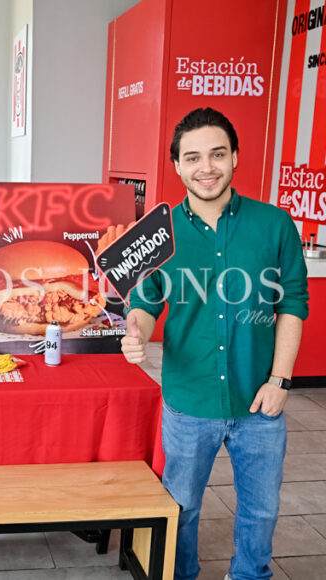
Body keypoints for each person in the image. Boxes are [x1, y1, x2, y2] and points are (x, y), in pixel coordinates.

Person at [121, 107, 308, 580]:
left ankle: (249, 575)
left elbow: (293, 305)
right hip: (188, 401)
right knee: (180, 509)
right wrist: (135, 332)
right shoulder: (158, 234)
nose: (207, 167)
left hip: (259, 402)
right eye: (194, 157)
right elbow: (144, 303)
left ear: (235, 158)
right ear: (177, 166)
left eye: (217, 154)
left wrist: (280, 380)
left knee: (261, 511)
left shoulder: (274, 225)